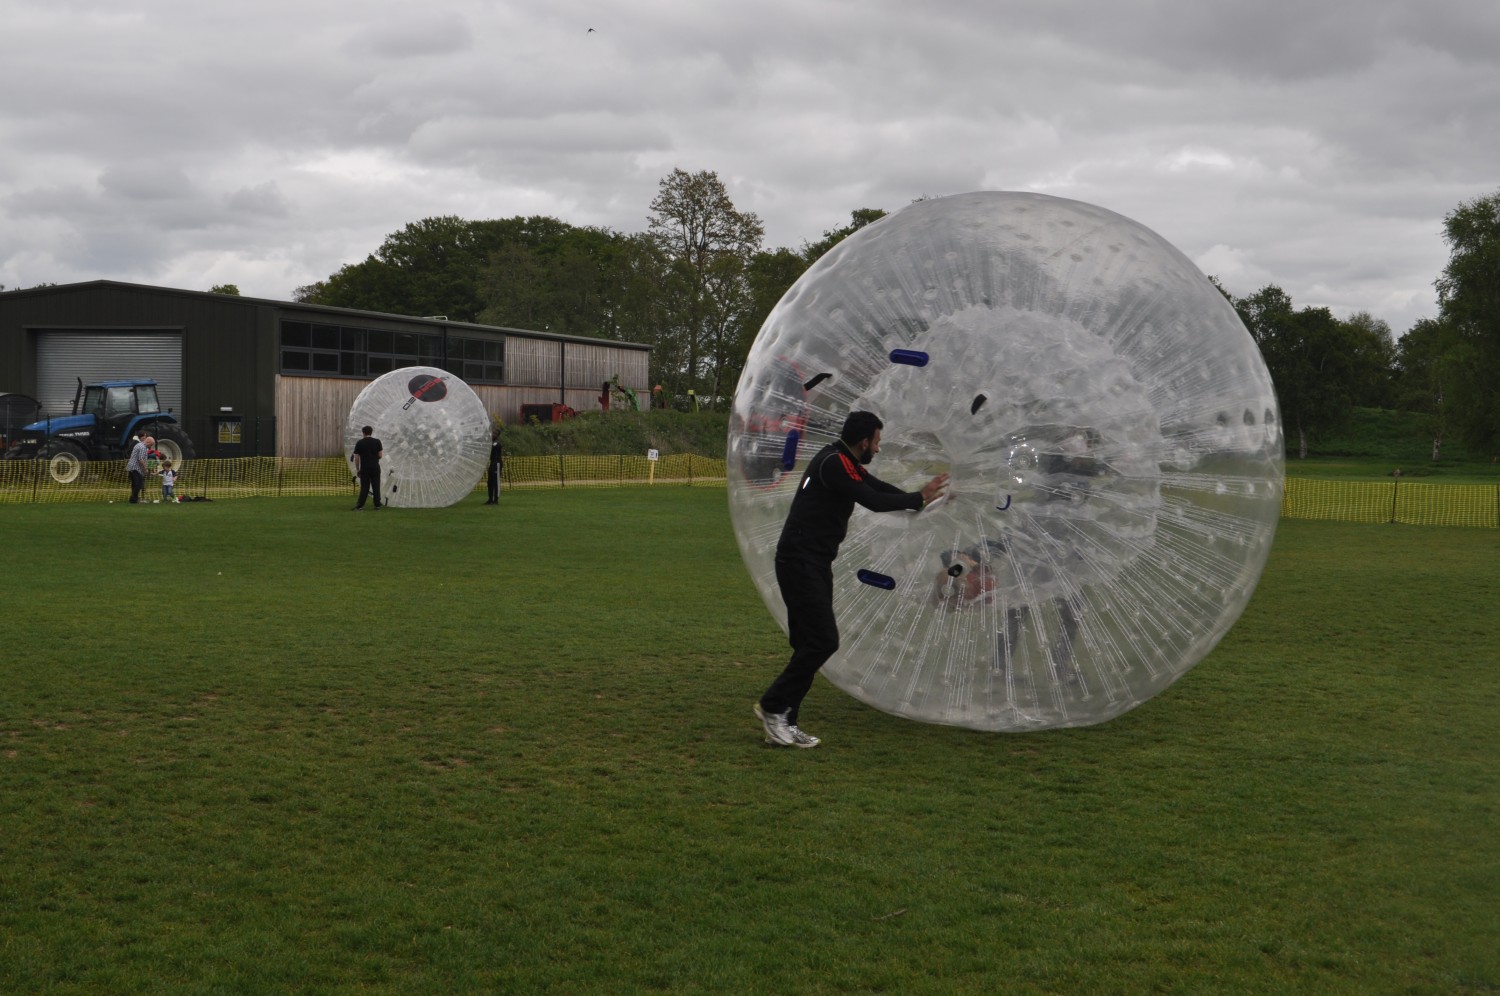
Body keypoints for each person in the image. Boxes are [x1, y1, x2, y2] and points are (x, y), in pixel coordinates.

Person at [755, 410, 949, 748]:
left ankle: (784, 720)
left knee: (809, 643)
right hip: (800, 561)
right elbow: (873, 500)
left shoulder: (842, 460)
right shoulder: (834, 462)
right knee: (822, 640)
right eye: (877, 442)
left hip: (811, 562)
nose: (878, 449)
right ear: (864, 441)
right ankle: (774, 706)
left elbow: (877, 487)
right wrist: (918, 498)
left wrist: (923, 499)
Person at [351, 425, 384, 509]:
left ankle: (360, 505)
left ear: (363, 433)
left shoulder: (360, 443)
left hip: (365, 468)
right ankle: (377, 504)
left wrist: (358, 469)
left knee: (365, 486)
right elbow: (380, 455)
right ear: (371, 432)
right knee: (376, 485)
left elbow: (357, 458)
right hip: (375, 467)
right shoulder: (377, 441)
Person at [126, 433, 154, 503]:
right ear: (148, 442)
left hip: (131, 467)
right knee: (139, 483)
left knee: (135, 484)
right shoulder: (143, 447)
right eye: (151, 444)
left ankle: (133, 499)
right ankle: (134, 499)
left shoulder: (139, 444)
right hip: (136, 468)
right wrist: (146, 469)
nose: (151, 446)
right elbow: (140, 459)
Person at [485, 430, 503, 504]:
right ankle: (490, 499)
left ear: (498, 435)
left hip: (497, 464)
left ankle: (496, 500)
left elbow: (494, 447)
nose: (492, 435)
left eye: (495, 434)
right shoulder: (491, 443)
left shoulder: (497, 444)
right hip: (492, 463)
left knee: (496, 482)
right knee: (490, 482)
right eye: (492, 433)